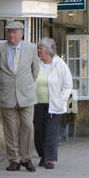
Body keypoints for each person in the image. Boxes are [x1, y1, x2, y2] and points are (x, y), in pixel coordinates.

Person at [0, 20, 41, 172]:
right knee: (10, 129)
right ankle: (14, 160)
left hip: (26, 94)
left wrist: (25, 84)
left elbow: (35, 71)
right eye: (9, 31)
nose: (11, 34)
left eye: (15, 31)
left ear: (21, 33)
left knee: (27, 126)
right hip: (8, 94)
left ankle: (25, 157)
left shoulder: (31, 48)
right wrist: (7, 83)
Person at [34, 37, 74, 169]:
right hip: (38, 103)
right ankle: (43, 155)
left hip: (54, 104)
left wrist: (61, 99)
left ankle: (50, 159)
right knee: (39, 132)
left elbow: (68, 86)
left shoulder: (60, 65)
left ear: (48, 50)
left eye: (41, 48)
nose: (38, 50)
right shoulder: (37, 64)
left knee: (51, 132)